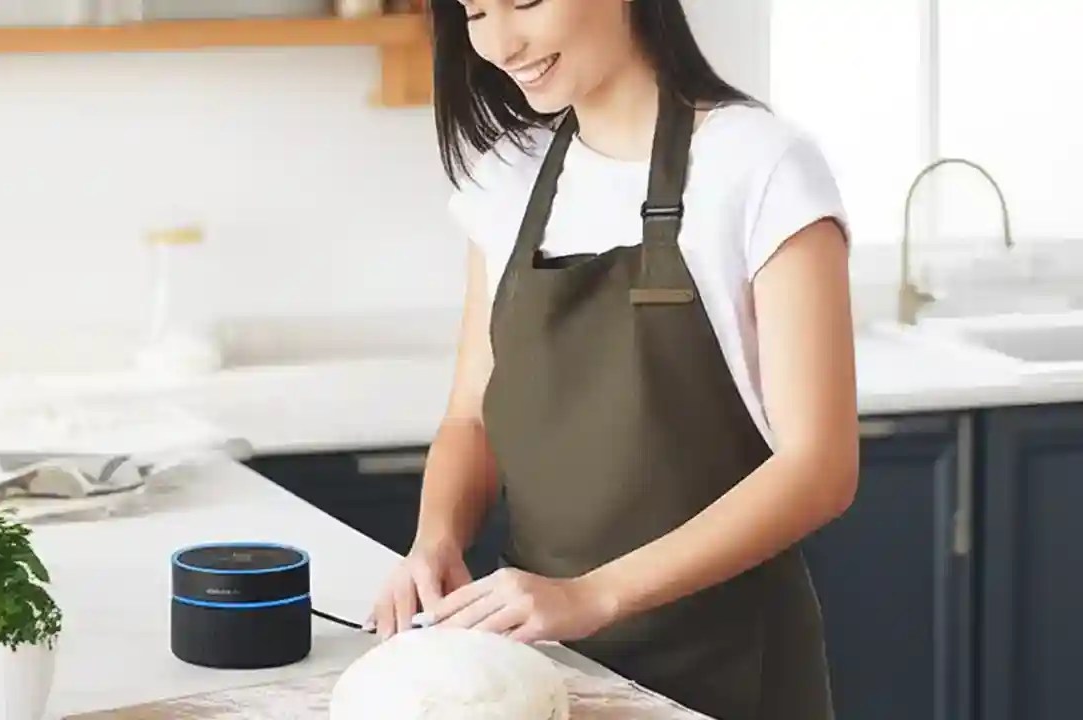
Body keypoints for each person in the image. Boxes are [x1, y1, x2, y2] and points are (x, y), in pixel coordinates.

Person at [368, 1, 859, 717]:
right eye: (474, 12)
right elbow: (470, 418)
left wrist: (593, 595)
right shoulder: (506, 182)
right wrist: (436, 538)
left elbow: (819, 468)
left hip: (727, 673)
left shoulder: (759, 167)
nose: (501, 41)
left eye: (526, 1)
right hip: (553, 669)